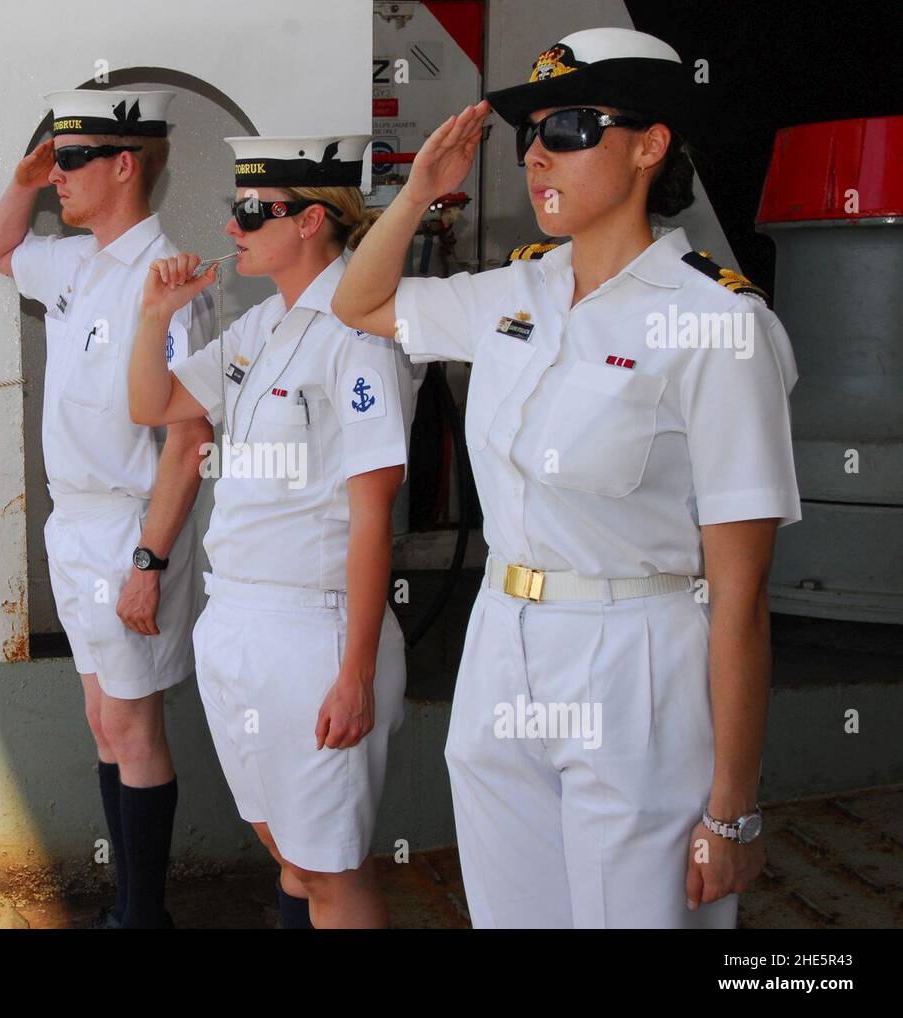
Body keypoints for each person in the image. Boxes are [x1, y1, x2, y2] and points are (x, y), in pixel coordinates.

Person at [332, 27, 800, 928]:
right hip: (502, 640)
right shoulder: (517, 292)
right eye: (530, 133)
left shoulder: (716, 324)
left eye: (574, 126)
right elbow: (361, 301)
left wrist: (733, 809)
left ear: (649, 146)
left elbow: (742, 595)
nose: (539, 151)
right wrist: (418, 191)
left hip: (639, 657)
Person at [126, 135, 424, 928]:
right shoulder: (265, 327)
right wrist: (156, 314)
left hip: (314, 629)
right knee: (290, 854)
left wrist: (355, 670)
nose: (235, 227)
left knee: (331, 871)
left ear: (313, 221)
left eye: (254, 211)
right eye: (236, 209)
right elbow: (155, 407)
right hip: (238, 621)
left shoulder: (361, 337)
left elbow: (373, 515)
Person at [0, 88, 215, 929]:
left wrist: (149, 563)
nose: (58, 179)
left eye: (72, 160)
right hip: (72, 522)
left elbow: (188, 441)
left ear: (126, 165)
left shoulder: (169, 280)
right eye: (54, 162)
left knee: (133, 724)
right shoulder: (74, 264)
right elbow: (1, 247)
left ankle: (142, 915)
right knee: (101, 718)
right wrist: (23, 177)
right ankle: (128, 908)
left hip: (130, 526)